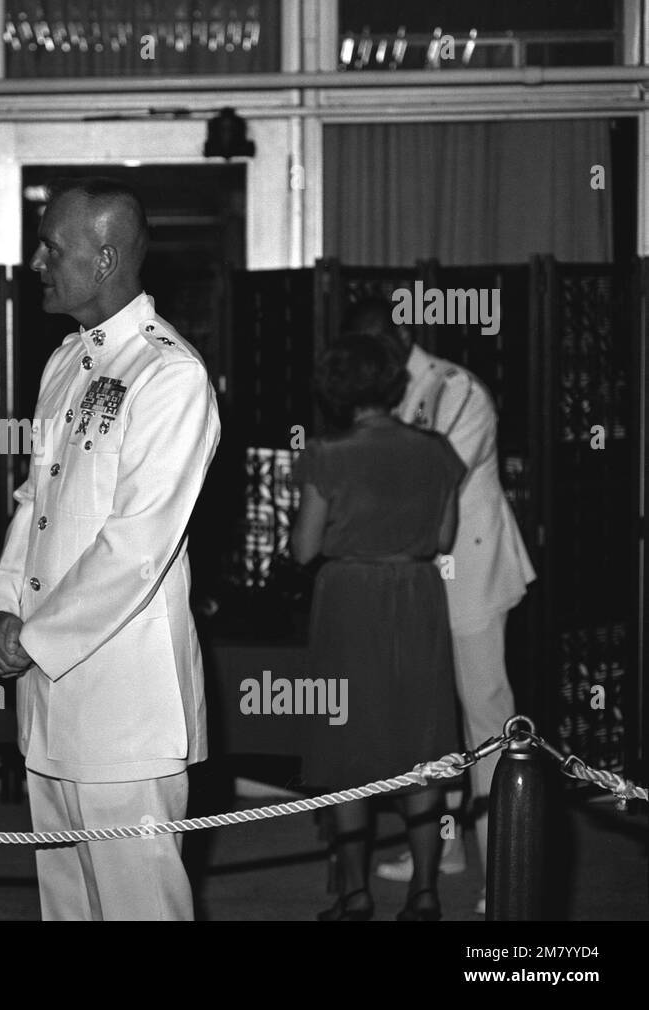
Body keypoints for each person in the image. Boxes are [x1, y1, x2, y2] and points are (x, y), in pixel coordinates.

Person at [0, 177, 220, 921]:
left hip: (122, 700)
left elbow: (138, 545)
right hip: (48, 690)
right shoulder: (66, 362)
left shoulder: (168, 373)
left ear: (107, 257)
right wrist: (2, 607)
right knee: (67, 906)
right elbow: (36, 508)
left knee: (138, 906)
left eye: (53, 246)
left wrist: (35, 640)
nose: (37, 260)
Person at [344, 300, 537, 914]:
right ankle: (446, 850)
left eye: (376, 340)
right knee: (429, 722)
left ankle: (504, 872)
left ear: (400, 334)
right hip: (416, 579)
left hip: (471, 576)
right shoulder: (389, 388)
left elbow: (437, 474)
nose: (371, 355)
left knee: (485, 721)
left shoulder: (456, 387)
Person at [291, 332, 466, 922]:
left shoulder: (327, 453)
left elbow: (303, 549)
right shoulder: (437, 450)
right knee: (422, 743)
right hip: (418, 598)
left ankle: (357, 892)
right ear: (393, 385)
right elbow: (443, 540)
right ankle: (424, 892)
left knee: (347, 746)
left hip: (349, 601)